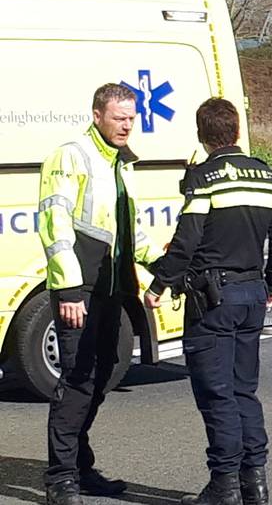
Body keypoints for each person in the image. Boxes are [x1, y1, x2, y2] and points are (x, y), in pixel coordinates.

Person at [144, 98, 272, 505]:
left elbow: (187, 239)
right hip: (252, 294)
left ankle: (224, 486)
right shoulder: (267, 175)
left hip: (213, 299)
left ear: (202, 135)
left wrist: (159, 284)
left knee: (217, 392)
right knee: (245, 390)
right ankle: (255, 483)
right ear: (237, 131)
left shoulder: (206, 178)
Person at [39, 83, 164, 505]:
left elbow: (128, 233)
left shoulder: (121, 163)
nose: (127, 124)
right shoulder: (72, 155)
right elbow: (54, 226)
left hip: (113, 289)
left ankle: (79, 464)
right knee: (77, 380)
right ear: (97, 116)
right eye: (119, 117)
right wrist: (70, 289)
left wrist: (161, 268)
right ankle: (61, 478)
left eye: (132, 117)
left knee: (104, 371)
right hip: (81, 289)